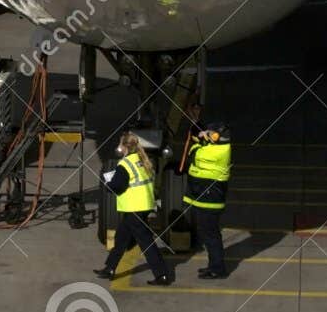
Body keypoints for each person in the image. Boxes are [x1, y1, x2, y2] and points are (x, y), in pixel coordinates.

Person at [93, 132, 174, 286]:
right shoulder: (142, 160)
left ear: (124, 146)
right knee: (121, 239)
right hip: (143, 207)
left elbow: (117, 186)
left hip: (133, 209)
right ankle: (109, 268)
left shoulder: (125, 165)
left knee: (146, 243)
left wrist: (108, 185)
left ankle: (162, 274)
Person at [183, 122, 232, 279]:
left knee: (210, 235)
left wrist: (200, 140)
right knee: (209, 234)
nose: (207, 134)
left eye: (211, 133)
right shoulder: (218, 147)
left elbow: (194, 154)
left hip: (209, 200)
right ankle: (213, 265)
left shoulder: (218, 151)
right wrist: (203, 139)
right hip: (207, 198)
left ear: (217, 137)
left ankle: (217, 269)